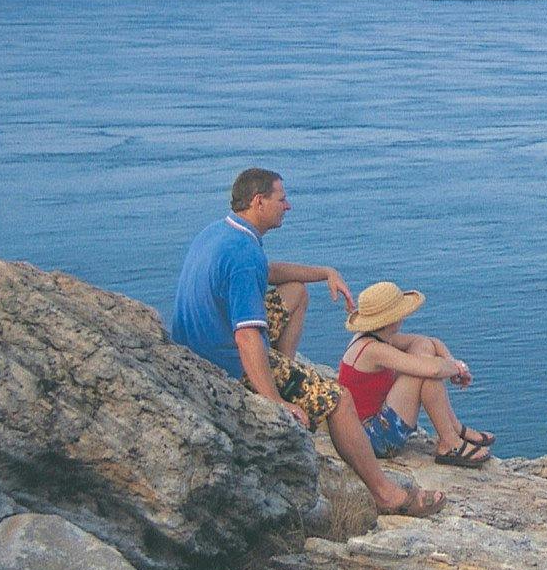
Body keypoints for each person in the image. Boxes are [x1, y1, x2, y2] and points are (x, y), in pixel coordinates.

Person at [168, 167, 444, 517]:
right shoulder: (243, 256)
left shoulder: (220, 233)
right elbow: (248, 335)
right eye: (281, 199)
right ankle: (386, 494)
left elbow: (267, 272)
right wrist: (274, 403)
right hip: (224, 360)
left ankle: (285, 371)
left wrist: (324, 273)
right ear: (259, 201)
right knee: (338, 400)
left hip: (196, 344)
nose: (288, 206)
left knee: (295, 293)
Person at [337, 280, 496, 467]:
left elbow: (429, 342)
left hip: (367, 428)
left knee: (423, 349)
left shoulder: (371, 337)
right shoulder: (374, 350)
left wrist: (451, 361)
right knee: (425, 374)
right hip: (371, 439)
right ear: (393, 319)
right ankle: (450, 441)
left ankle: (454, 430)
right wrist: (459, 369)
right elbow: (433, 369)